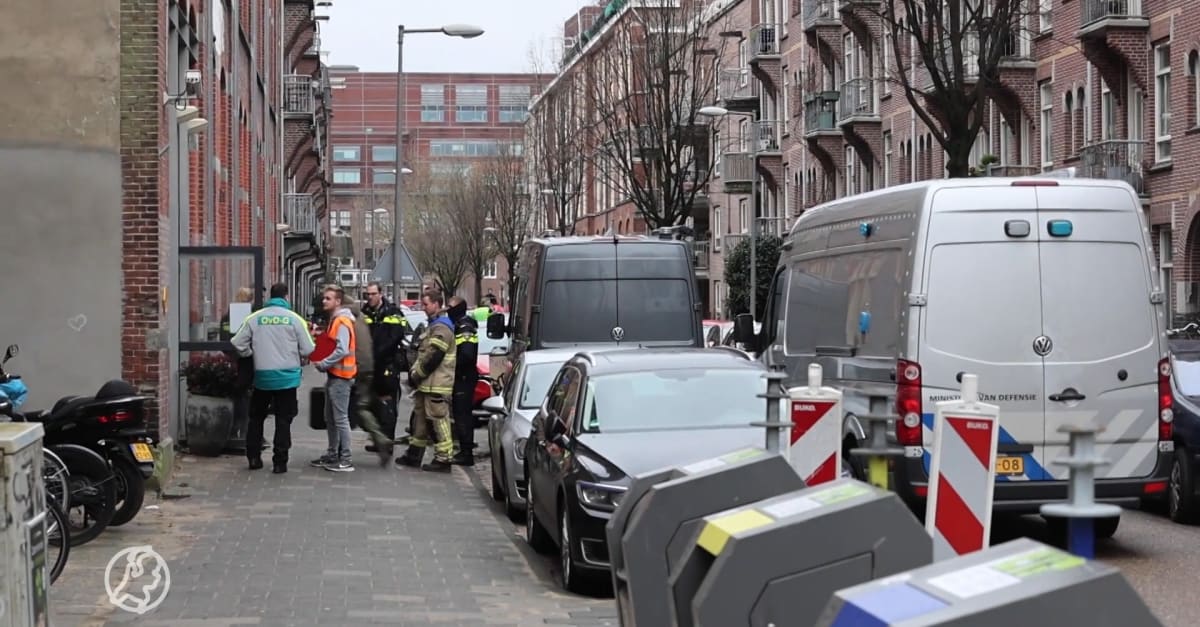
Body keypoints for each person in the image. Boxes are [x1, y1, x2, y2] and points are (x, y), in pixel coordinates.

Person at [230, 283, 315, 473]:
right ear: (286, 297)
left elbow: (237, 342)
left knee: (256, 418)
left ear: (270, 297)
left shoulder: (255, 318)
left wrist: (250, 354)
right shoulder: (295, 319)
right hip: (288, 379)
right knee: (283, 420)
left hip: (263, 378)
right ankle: (279, 462)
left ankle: (254, 458)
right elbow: (308, 348)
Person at [396, 289, 457, 473]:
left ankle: (444, 458)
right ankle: (414, 454)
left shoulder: (442, 328)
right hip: (428, 383)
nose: (423, 307)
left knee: (438, 421)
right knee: (420, 421)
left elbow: (433, 356)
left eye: (426, 304)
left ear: (437, 304)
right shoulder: (434, 326)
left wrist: (416, 374)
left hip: (437, 384)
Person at [310, 285, 357, 472]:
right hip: (336, 376)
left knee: (340, 419)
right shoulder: (336, 320)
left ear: (338, 301)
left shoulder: (342, 321)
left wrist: (324, 363)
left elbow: (342, 349)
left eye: (328, 298)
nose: (324, 301)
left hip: (341, 377)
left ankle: (345, 459)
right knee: (330, 418)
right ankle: (332, 454)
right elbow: (333, 345)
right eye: (324, 298)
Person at [359, 281, 408, 453]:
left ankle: (387, 442)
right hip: (369, 365)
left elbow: (395, 337)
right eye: (368, 294)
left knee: (387, 404)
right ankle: (378, 439)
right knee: (371, 404)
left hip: (388, 364)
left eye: (373, 294)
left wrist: (378, 353)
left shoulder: (393, 312)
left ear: (381, 294)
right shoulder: (364, 313)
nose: (370, 297)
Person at [345, 298, 395, 466]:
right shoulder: (360, 316)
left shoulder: (347, 318)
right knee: (364, 406)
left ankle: (381, 439)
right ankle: (380, 439)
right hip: (368, 367)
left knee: (359, 408)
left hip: (358, 369)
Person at [447, 296, 479, 466]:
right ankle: (464, 450)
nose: (448, 310)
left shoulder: (464, 327)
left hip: (464, 378)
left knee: (463, 415)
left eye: (450, 306)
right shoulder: (459, 325)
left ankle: (467, 453)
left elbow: (467, 354)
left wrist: (451, 365)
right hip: (461, 377)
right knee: (460, 415)